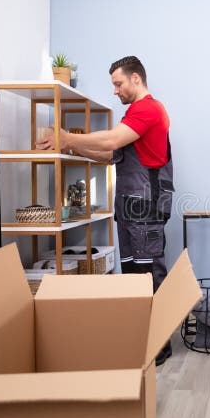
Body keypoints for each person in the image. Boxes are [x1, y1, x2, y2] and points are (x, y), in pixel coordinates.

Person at [37, 55, 175, 365]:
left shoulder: (148, 109)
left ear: (136, 79)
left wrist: (68, 136)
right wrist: (71, 146)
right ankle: (143, 342)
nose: (115, 90)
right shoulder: (133, 116)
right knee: (132, 276)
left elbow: (111, 139)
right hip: (130, 207)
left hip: (145, 207)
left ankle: (159, 345)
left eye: (118, 83)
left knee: (148, 273)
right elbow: (109, 153)